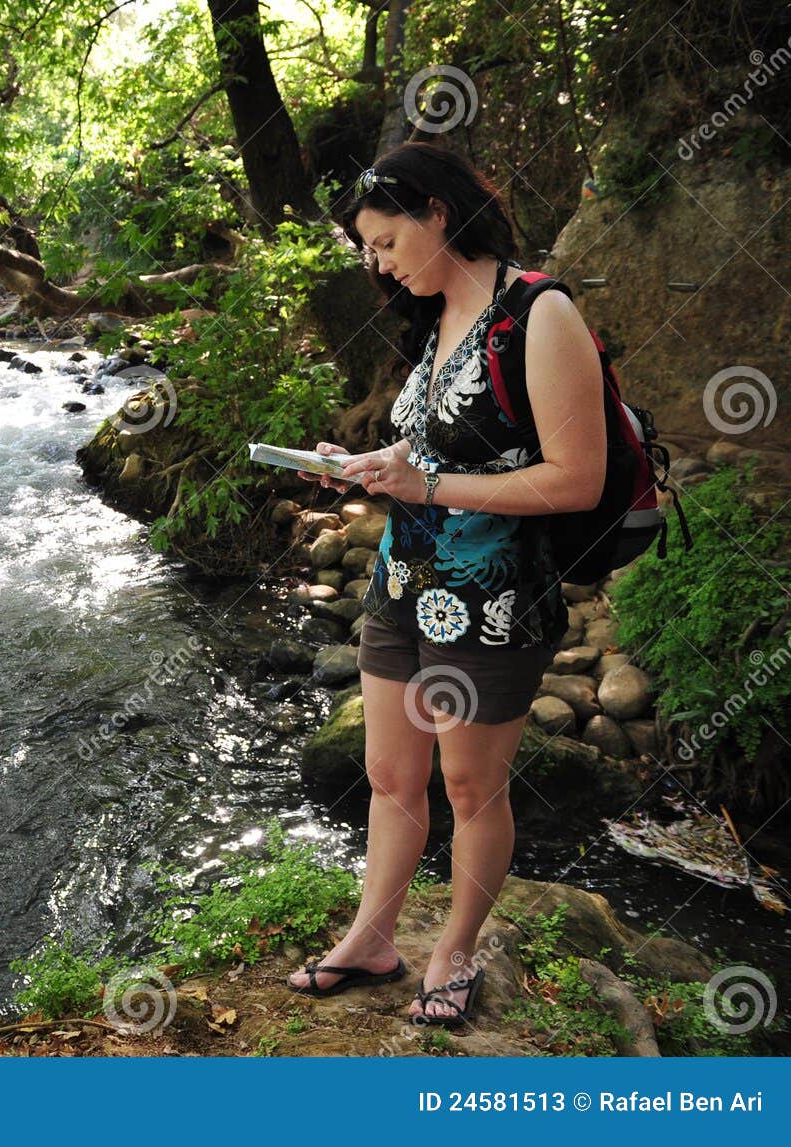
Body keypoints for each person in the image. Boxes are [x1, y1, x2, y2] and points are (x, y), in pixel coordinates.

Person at [283, 142, 607, 1025]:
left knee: (470, 788)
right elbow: (428, 452)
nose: (378, 264)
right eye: (369, 251)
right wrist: (366, 468)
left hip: (494, 596)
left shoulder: (540, 314)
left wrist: (425, 484)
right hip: (402, 579)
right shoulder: (435, 322)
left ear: (435, 212)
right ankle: (374, 936)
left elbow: (574, 478)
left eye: (385, 242)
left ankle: (456, 949)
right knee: (390, 773)